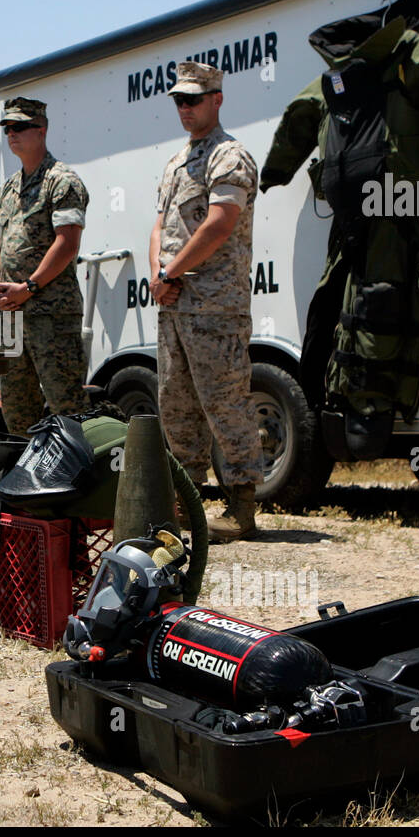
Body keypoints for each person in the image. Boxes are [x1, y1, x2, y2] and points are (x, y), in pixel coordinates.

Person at [148, 62, 263, 541]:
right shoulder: (176, 163)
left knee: (225, 403)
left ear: (217, 99)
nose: (185, 107)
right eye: (178, 100)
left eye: (193, 99)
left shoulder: (229, 157)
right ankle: (185, 502)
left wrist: (171, 272)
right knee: (176, 405)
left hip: (215, 307)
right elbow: (158, 226)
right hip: (174, 306)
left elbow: (219, 223)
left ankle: (240, 508)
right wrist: (159, 276)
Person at [0, 97, 89, 436]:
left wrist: (28, 287)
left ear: (41, 130)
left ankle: (76, 485)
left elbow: (67, 243)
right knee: (16, 409)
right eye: (7, 128)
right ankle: (25, 482)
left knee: (66, 406)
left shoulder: (62, 182)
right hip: (12, 315)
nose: (11, 134)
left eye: (19, 127)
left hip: (50, 314)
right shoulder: (7, 191)